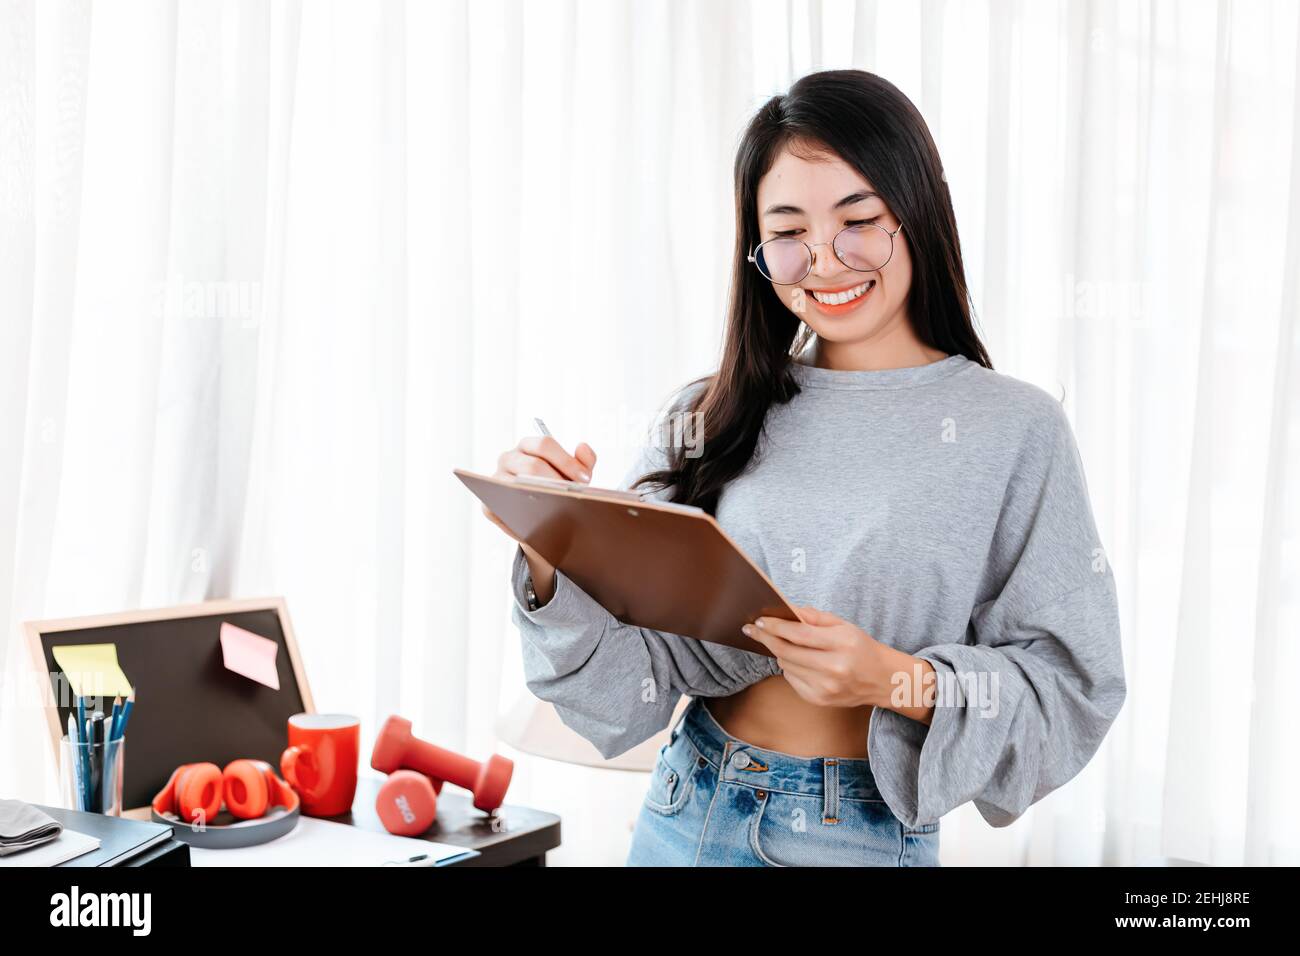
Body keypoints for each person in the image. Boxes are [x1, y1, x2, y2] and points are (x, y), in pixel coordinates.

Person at [482, 69, 1126, 867]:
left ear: (915, 213)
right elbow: (620, 693)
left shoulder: (1015, 430)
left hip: (855, 834)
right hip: (685, 808)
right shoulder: (709, 413)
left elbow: (1074, 688)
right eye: (788, 234)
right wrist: (552, 545)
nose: (824, 261)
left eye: (858, 221)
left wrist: (896, 679)